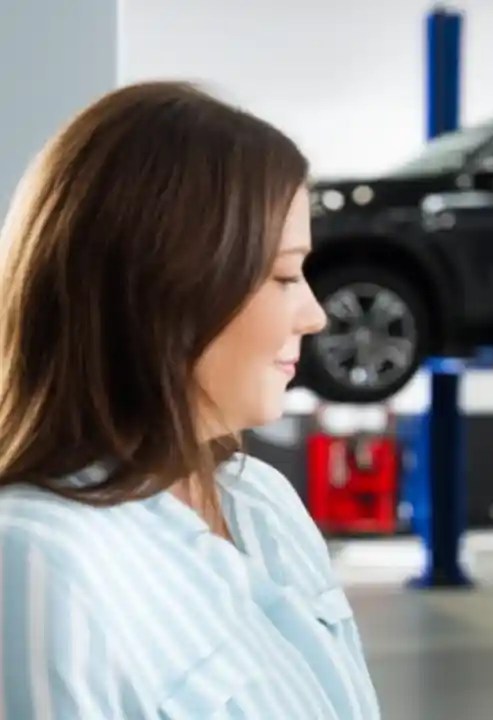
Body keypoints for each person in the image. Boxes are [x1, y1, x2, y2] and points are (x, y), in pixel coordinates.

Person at [0, 81, 380, 719]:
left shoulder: (262, 502)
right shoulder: (39, 564)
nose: (315, 315)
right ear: (169, 290)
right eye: (285, 276)